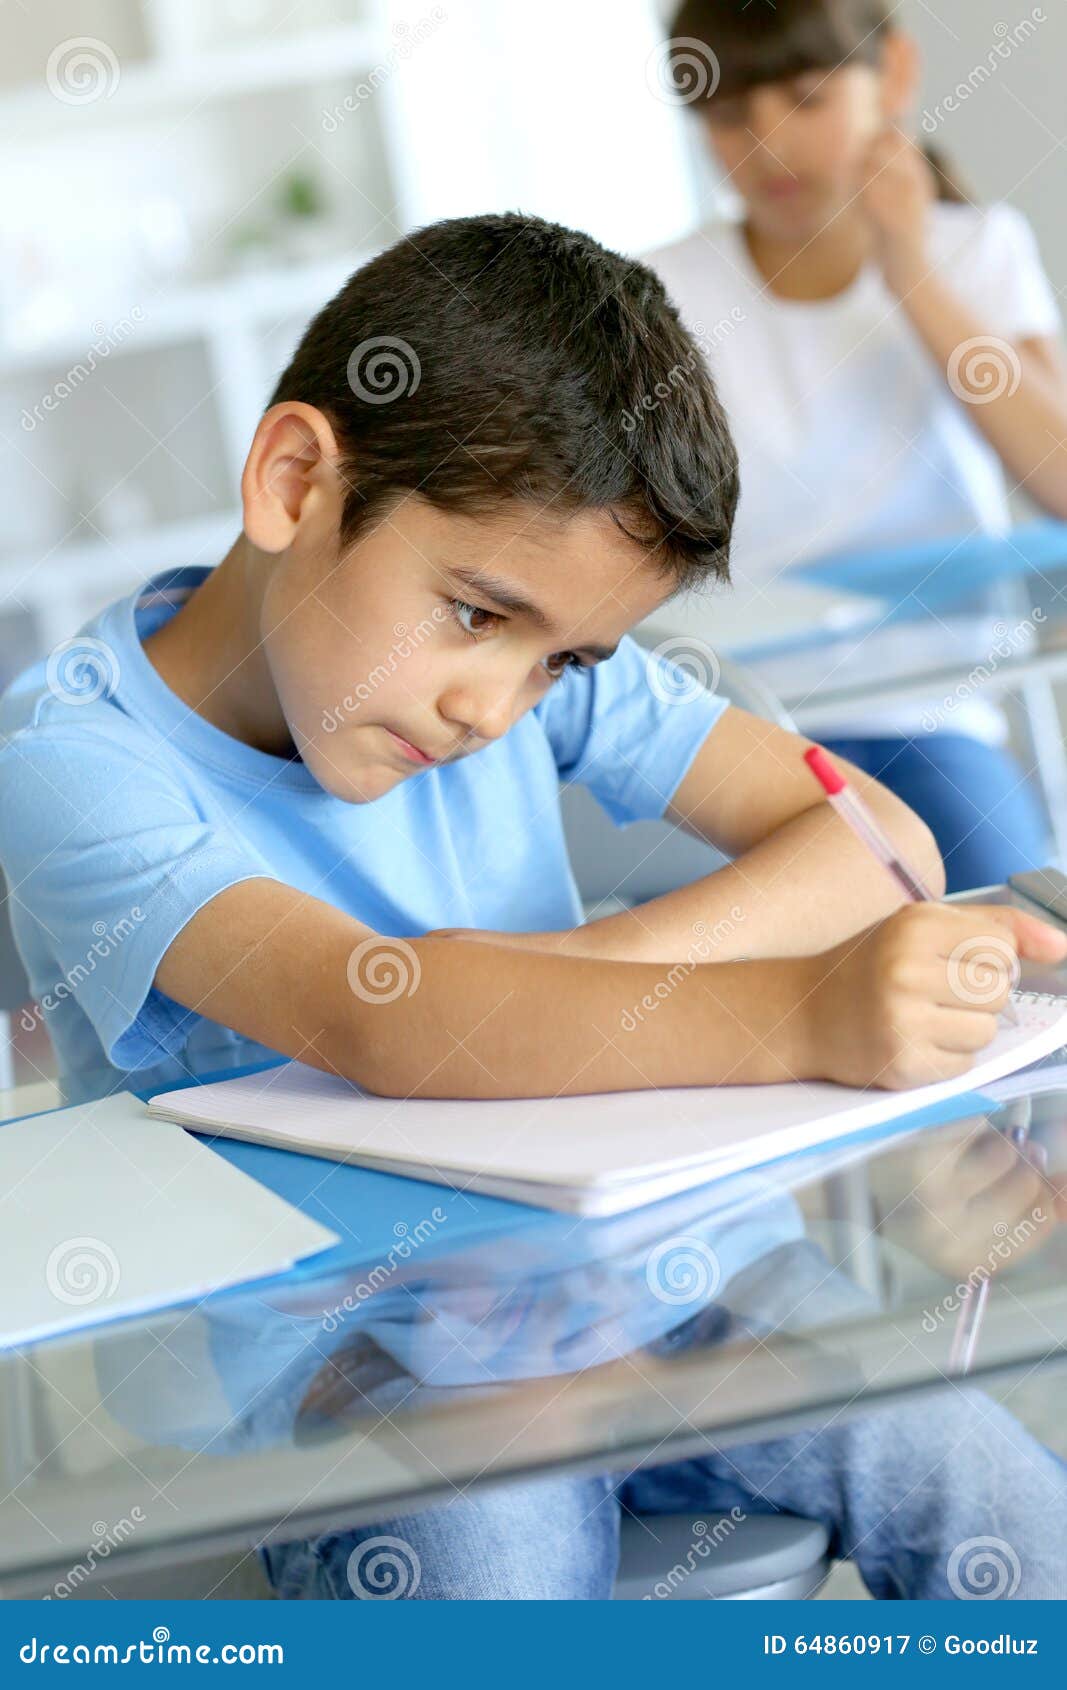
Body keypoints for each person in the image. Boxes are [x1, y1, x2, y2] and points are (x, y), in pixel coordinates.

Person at [1, 213, 1064, 1597]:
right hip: (347, 1357)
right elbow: (382, 1018)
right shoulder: (75, 759)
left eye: (563, 663)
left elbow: (879, 841)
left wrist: (582, 975)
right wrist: (804, 1008)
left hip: (665, 1278)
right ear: (294, 481)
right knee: (493, 1554)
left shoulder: (529, 643)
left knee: (987, 1488)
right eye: (470, 616)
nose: (494, 709)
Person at [647, 0, 1067, 892]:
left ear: (896, 76)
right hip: (734, 727)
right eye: (728, 115)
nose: (767, 145)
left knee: (1011, 929)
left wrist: (909, 268)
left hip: (931, 712)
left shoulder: (976, 251)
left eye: (807, 98)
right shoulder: (662, 291)